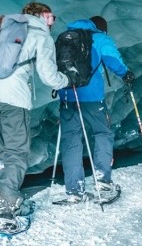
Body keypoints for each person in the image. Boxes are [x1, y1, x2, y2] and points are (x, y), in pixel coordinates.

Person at [0, 1, 72, 218]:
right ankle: (6, 204)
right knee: (15, 151)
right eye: (51, 17)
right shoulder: (41, 36)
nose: (52, 22)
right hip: (13, 99)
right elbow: (49, 76)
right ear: (42, 15)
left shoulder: (6, 28)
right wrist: (66, 80)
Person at [57, 16, 135, 203]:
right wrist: (126, 74)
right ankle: (103, 181)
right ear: (102, 28)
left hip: (67, 96)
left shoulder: (65, 37)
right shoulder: (99, 38)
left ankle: (74, 190)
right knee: (102, 134)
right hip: (92, 98)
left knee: (71, 141)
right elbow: (112, 60)